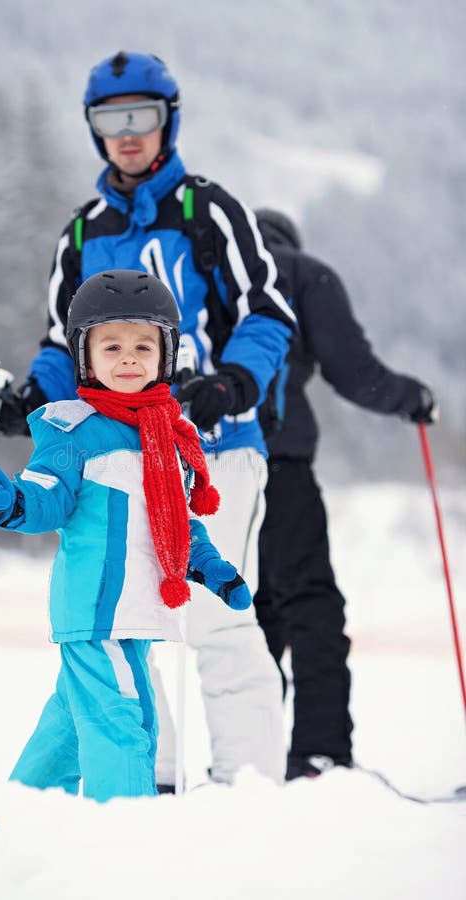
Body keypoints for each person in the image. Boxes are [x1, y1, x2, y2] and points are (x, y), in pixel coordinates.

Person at [0, 51, 297, 788]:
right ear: (94, 130)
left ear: (168, 120)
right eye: (110, 120)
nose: (127, 134)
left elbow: (266, 311)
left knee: (215, 618)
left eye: (141, 116)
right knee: (133, 621)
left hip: (212, 446)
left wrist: (234, 382)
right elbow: (65, 344)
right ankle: (155, 780)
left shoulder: (210, 212)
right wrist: (23, 400)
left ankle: (249, 784)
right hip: (118, 448)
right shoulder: (82, 234)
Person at [0, 269, 253, 802]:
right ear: (86, 356)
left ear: (164, 356)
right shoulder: (74, 430)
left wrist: (212, 567)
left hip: (137, 611)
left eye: (143, 345)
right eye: (112, 346)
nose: (129, 358)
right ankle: (123, 830)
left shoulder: (168, 437)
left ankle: (18, 820)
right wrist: (16, 504)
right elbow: (48, 496)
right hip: (97, 608)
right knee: (126, 720)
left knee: (74, 724)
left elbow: (173, 523)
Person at [252, 208, 438, 780]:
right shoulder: (305, 273)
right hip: (281, 464)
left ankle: (244, 754)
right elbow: (354, 373)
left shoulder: (208, 271)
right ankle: (319, 750)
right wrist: (413, 397)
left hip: (205, 470)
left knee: (245, 615)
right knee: (309, 604)